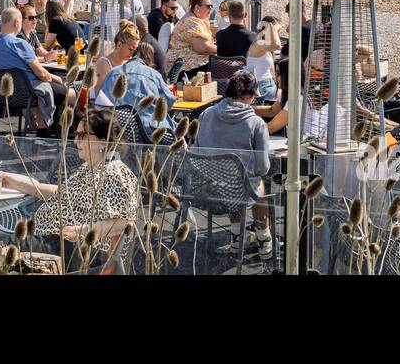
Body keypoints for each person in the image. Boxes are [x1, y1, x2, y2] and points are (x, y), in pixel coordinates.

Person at [0, 107, 138, 270]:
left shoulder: (115, 173)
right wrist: (18, 182)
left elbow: (125, 223)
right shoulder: (93, 167)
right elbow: (62, 194)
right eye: (76, 135)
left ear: (103, 141)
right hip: (50, 240)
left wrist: (82, 231)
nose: (76, 141)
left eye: (82, 135)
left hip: (73, 254)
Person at [195, 70, 273, 257]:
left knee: (234, 178)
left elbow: (197, 151)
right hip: (239, 191)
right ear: (250, 96)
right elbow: (263, 167)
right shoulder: (255, 123)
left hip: (210, 190)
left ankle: (238, 236)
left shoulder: (206, 115)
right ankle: (264, 238)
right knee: (257, 181)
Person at [0, 7, 71, 133]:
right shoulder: (19, 44)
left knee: (45, 92)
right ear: (16, 23)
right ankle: (64, 130)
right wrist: (57, 78)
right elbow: (42, 74)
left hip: (5, 95)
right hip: (29, 92)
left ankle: (44, 130)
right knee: (72, 94)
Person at [97, 40, 177, 134]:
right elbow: (169, 101)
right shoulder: (154, 75)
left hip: (118, 130)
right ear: (150, 60)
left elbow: (102, 100)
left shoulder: (113, 73)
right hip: (150, 131)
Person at [167, 0, 216, 76]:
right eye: (208, 6)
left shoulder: (196, 20)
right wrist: (223, 49)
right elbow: (202, 48)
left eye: (211, 6)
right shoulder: (190, 22)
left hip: (192, 65)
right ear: (197, 7)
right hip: (186, 69)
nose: (210, 9)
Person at [91, 20, 140, 91]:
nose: (133, 53)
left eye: (135, 50)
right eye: (130, 49)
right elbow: (99, 95)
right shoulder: (104, 64)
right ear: (119, 45)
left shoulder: (130, 63)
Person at [246, 15, 284, 102]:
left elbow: (271, 70)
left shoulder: (263, 44)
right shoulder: (259, 42)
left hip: (266, 84)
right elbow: (277, 45)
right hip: (263, 86)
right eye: (277, 31)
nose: (278, 34)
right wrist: (273, 27)